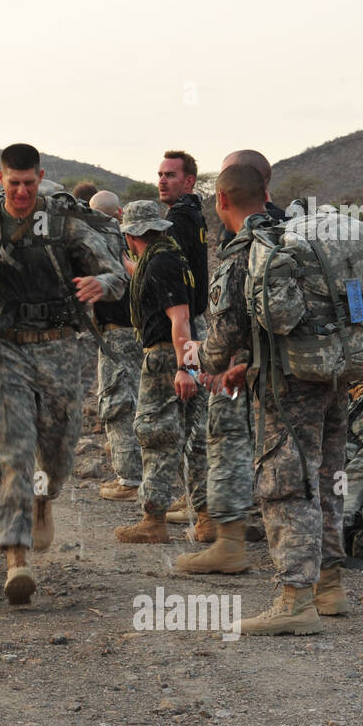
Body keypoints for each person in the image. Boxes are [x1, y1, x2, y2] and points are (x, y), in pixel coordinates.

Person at [0, 143, 124, 604]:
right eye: (14, 183)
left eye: (30, 183)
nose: (23, 191)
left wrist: (101, 283)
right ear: (1, 179)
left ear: (40, 177)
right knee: (15, 454)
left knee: (57, 453)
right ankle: (16, 559)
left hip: (60, 349)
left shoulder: (63, 225)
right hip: (5, 352)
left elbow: (117, 273)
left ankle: (43, 500)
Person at [204, 164, 347, 634]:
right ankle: (328, 587)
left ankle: (294, 600)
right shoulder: (304, 236)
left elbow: (223, 333)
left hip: (287, 389)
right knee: (326, 478)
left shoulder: (248, 249)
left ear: (221, 200)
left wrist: (205, 363)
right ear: (267, 192)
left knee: (285, 485)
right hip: (333, 371)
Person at [176, 150, 283, 573]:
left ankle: (230, 544)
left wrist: (198, 362)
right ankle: (323, 574)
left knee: (226, 443)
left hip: (237, 366)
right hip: (286, 366)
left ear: (223, 195)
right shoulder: (292, 231)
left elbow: (226, 324)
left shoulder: (243, 241)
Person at [113, 199, 206, 543]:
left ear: (134, 235)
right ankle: (206, 516)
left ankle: (153, 520)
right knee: (194, 435)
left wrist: (184, 368)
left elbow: (179, 317)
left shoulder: (162, 263)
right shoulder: (169, 257)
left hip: (168, 356)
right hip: (186, 351)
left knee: (155, 433)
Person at [156, 151, 211, 536]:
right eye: (160, 174)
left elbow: (182, 308)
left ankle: (206, 511)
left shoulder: (178, 220)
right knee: (192, 423)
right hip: (191, 326)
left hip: (186, 330)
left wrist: (187, 365)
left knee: (189, 423)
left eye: (171, 175)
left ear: (189, 181)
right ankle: (197, 502)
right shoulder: (192, 214)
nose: (162, 181)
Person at [87, 190, 144, 502]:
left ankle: (130, 479)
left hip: (115, 332)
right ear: (119, 212)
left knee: (116, 402)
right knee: (138, 399)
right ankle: (145, 474)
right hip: (141, 329)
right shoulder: (133, 238)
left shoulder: (96, 241)